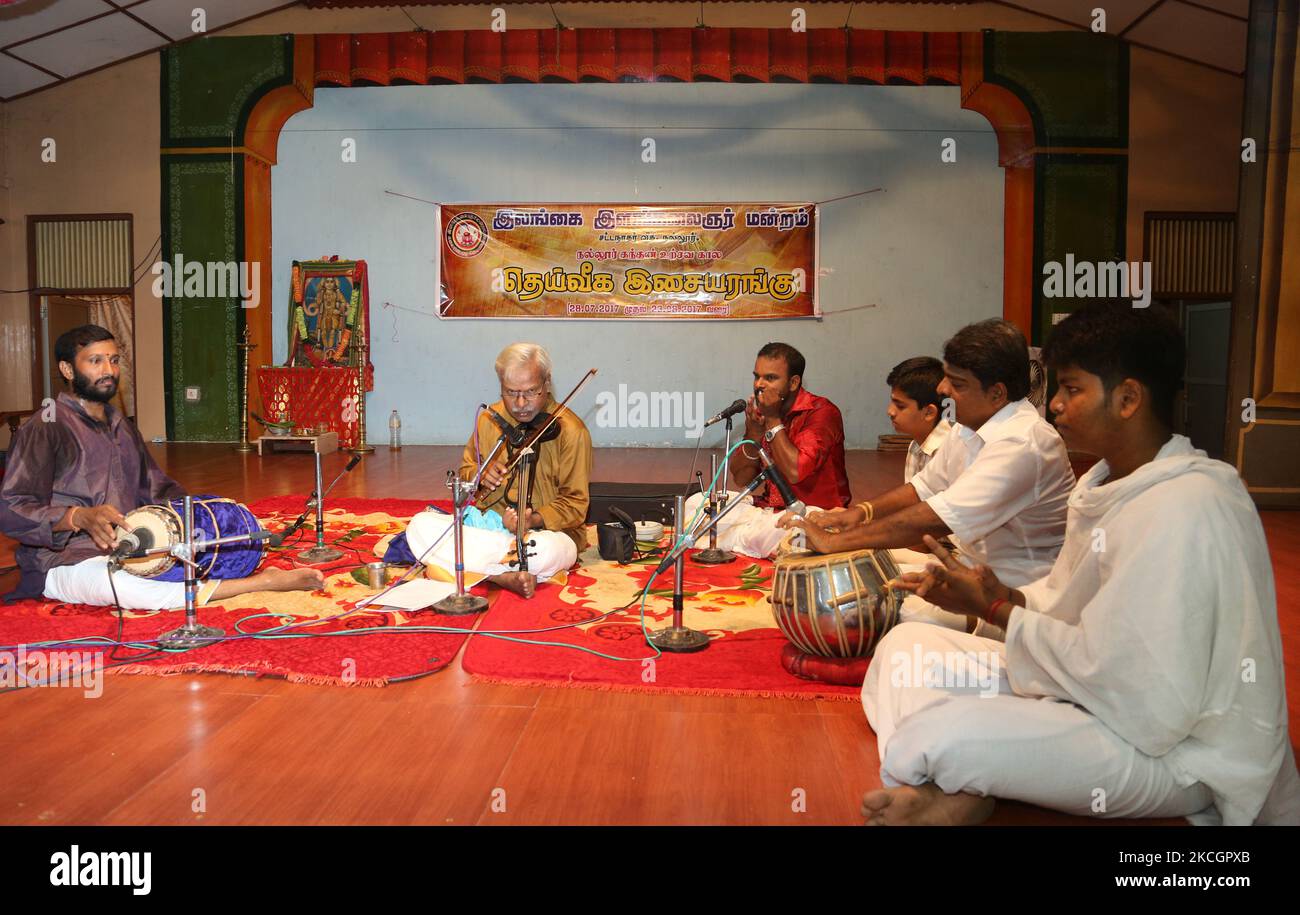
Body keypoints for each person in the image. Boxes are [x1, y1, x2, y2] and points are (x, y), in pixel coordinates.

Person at [860, 301, 1300, 826]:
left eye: (1072, 390)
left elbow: (1150, 702)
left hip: (1177, 752)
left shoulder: (1187, 504)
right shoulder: (1105, 483)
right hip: (1089, 691)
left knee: (945, 737)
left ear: (1128, 398)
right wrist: (990, 596)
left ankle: (954, 779)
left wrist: (1000, 610)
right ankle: (956, 784)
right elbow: (1065, 605)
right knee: (907, 650)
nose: (1057, 408)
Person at [0, 325, 323, 611]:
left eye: (114, 360)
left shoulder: (119, 424)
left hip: (136, 546)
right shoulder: (47, 425)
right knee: (125, 588)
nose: (109, 369)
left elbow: (154, 486)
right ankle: (262, 583)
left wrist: (200, 513)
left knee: (221, 542)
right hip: (66, 560)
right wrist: (76, 517)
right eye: (95, 361)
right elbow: (12, 509)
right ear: (68, 370)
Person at [784, 320, 1073, 637]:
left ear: (997, 393)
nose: (942, 389)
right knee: (866, 571)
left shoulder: (1024, 443)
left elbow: (937, 517)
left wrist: (835, 542)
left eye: (957, 384)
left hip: (1013, 600)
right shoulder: (968, 425)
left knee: (862, 609)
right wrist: (857, 515)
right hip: (967, 571)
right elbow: (923, 488)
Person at [685, 352, 946, 560]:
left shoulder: (821, 413)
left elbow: (796, 471)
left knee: (788, 531)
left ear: (794, 382)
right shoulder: (915, 446)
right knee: (698, 503)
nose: (759, 385)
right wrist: (753, 433)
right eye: (757, 376)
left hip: (814, 516)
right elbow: (742, 479)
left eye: (771, 378)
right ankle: (754, 541)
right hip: (769, 512)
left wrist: (774, 421)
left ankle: (769, 544)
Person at [452, 343, 591, 595]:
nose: (520, 403)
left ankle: (487, 569)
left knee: (546, 551)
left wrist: (531, 520)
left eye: (530, 392)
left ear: (547, 384)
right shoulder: (488, 419)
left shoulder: (572, 431)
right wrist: (480, 473)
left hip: (543, 535)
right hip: (490, 529)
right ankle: (502, 575)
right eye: (511, 392)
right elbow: (465, 473)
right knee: (422, 527)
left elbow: (575, 504)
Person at [885, 356, 952, 484]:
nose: (890, 411)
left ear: (929, 412)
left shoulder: (949, 450)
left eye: (900, 406)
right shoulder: (916, 445)